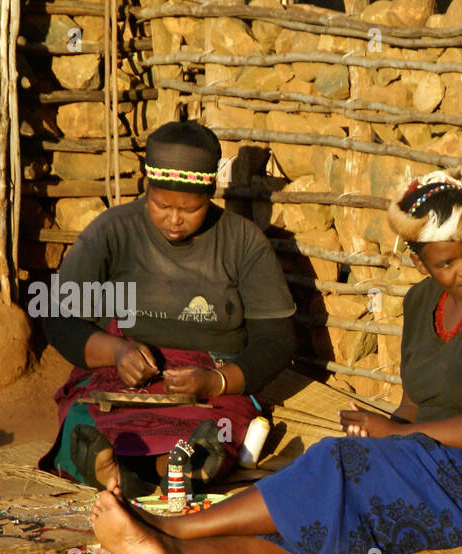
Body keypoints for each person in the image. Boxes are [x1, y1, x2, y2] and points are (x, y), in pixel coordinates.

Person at [90, 170, 462, 554]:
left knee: (340, 467)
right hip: (441, 463)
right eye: (446, 263)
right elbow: (412, 405)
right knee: (344, 505)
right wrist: (382, 429)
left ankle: (173, 528)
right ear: (418, 261)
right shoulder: (421, 302)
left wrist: (398, 437)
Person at [39, 120, 296, 497]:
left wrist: (218, 381)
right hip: (120, 375)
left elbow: (276, 340)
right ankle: (139, 466)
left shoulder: (242, 241)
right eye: (162, 205)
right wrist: (118, 351)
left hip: (209, 383)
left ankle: (147, 470)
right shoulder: (112, 230)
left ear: (210, 194)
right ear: (147, 188)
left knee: (217, 431)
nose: (174, 220)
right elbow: (58, 316)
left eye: (190, 209)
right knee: (85, 418)